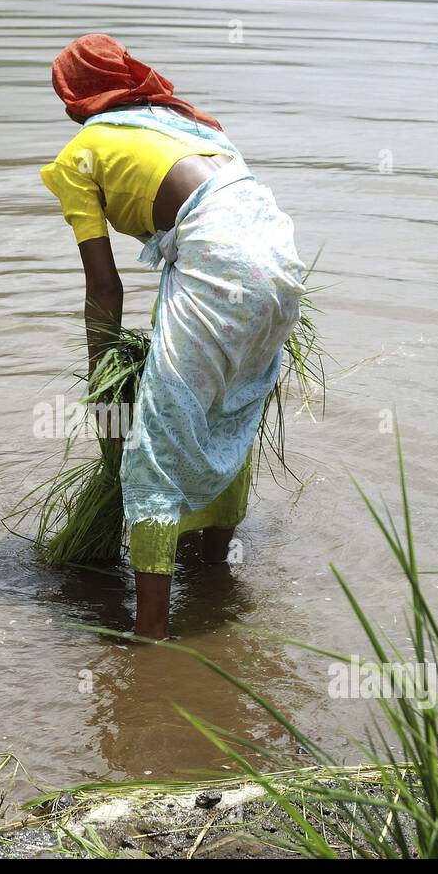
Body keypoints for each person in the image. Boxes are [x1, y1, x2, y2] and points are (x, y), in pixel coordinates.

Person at [40, 33, 306, 640]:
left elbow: (105, 287)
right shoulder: (184, 123)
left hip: (219, 261)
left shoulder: (81, 153)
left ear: (75, 97)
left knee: (153, 447)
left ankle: (150, 635)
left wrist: (102, 384)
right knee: (228, 410)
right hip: (279, 259)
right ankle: (214, 574)